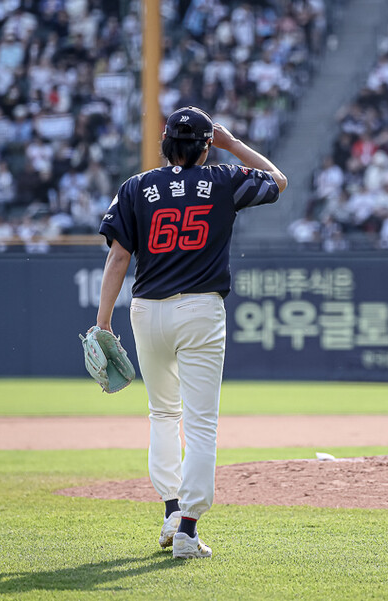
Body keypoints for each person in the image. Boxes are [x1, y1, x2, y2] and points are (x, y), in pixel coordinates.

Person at [93, 106, 288, 559]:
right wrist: (234, 144)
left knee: (162, 413)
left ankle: (170, 511)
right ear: (206, 145)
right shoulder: (221, 179)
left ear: (164, 144)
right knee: (200, 422)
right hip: (201, 308)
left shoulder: (136, 187)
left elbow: (118, 258)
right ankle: (188, 528)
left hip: (147, 310)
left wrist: (102, 321)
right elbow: (278, 181)